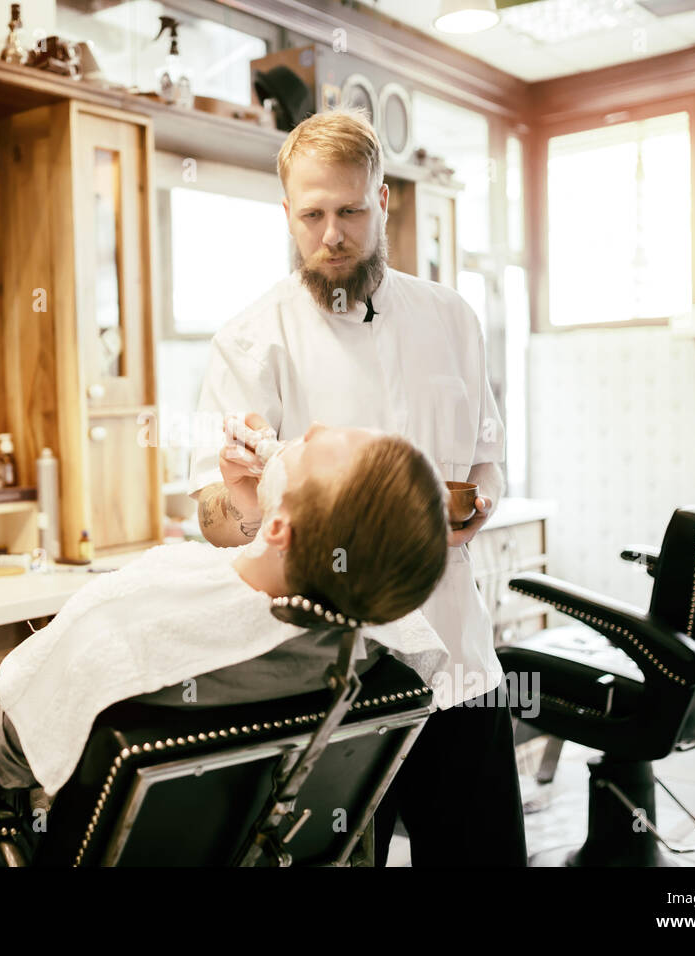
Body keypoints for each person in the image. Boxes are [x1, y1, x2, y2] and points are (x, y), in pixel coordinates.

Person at [0, 423, 452, 866]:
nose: (313, 426)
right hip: (239, 848)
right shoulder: (372, 642)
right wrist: (256, 503)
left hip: (52, 838)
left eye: (318, 444)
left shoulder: (131, 619)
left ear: (278, 527)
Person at [188, 108, 527, 866]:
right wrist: (243, 500)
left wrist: (480, 503)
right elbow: (213, 519)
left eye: (349, 210)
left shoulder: (452, 318)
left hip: (454, 648)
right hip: (330, 672)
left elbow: (487, 458)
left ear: (381, 202)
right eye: (312, 215)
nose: (331, 234)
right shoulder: (249, 341)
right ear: (287, 215)